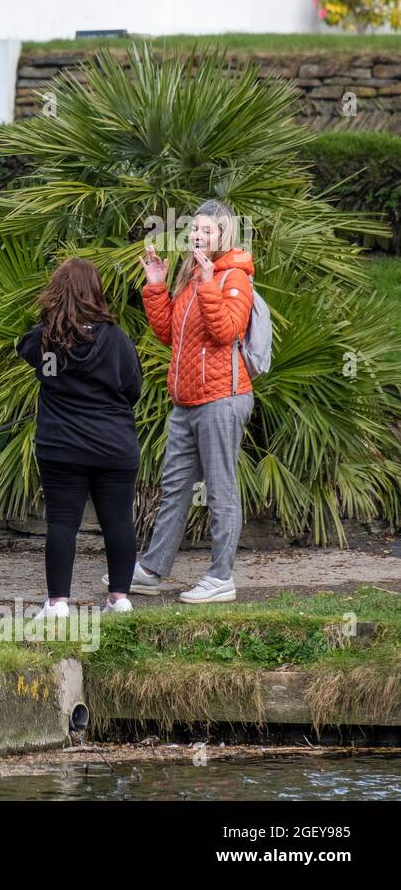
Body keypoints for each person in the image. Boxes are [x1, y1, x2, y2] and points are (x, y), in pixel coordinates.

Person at [130, 199, 255, 603]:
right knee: (175, 487)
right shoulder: (190, 275)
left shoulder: (235, 276)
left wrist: (206, 282)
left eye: (206, 231)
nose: (197, 236)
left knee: (220, 490)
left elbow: (226, 331)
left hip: (223, 399)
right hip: (185, 401)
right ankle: (151, 570)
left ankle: (221, 577)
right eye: (194, 230)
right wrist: (155, 285)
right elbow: (171, 335)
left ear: (224, 235)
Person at [17, 258, 142, 617]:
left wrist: (50, 320)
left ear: (58, 293)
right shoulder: (117, 340)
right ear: (97, 293)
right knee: (118, 521)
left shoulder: (45, 340)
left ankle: (58, 602)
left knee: (62, 523)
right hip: (114, 445)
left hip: (62, 448)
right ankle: (120, 597)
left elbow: (20, 346)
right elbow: (132, 388)